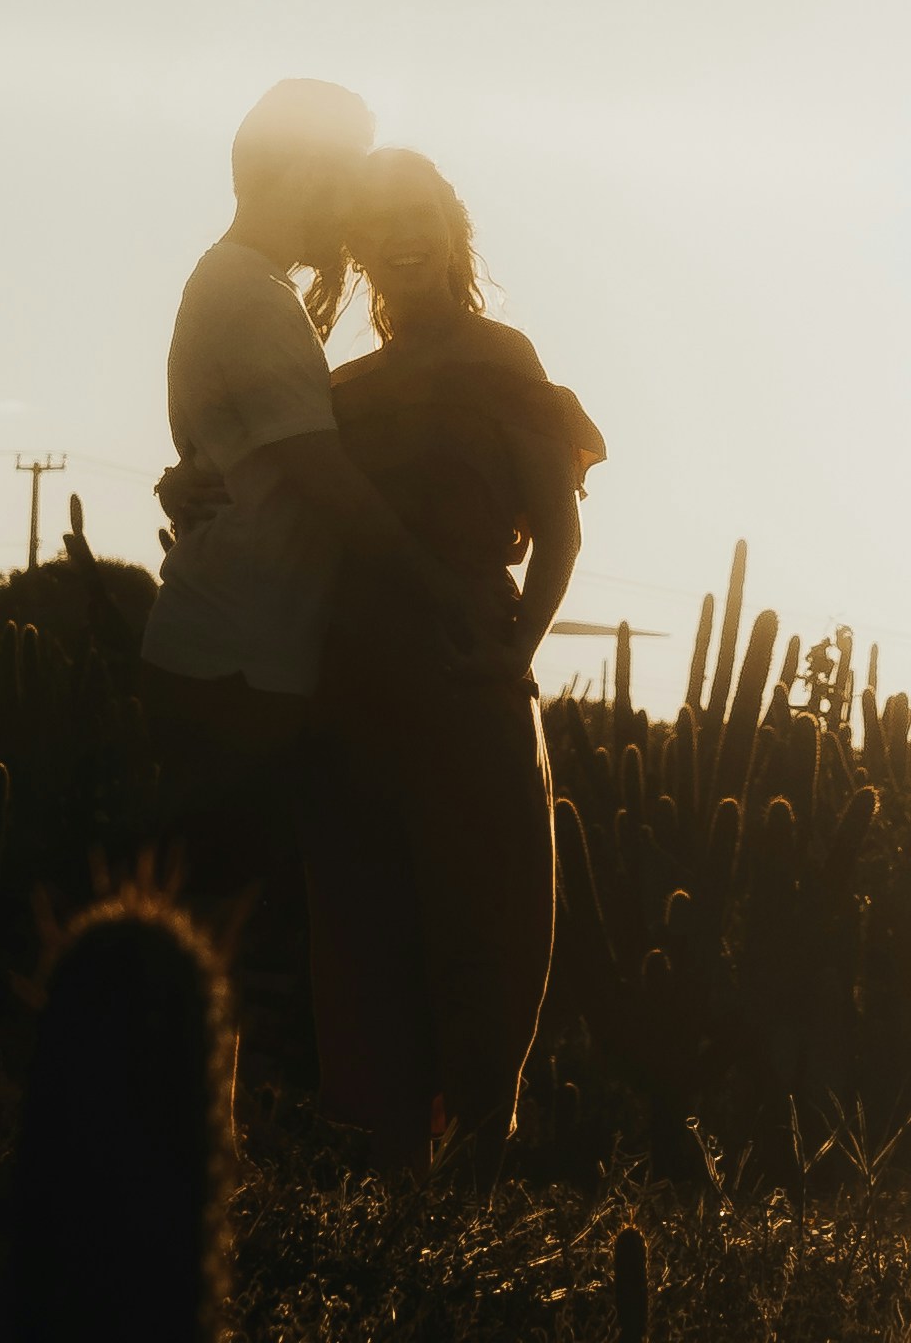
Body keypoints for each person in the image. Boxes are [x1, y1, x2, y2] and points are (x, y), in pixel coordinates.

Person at [135, 82, 488, 1051]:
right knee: (229, 931)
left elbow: (247, 457)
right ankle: (209, 1150)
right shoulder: (247, 294)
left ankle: (219, 1146)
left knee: (233, 921)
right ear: (294, 167)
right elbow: (322, 477)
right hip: (236, 659)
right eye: (339, 174)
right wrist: (443, 585)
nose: (347, 204)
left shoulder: (243, 285)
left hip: (240, 645)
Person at [304, 147, 600, 1177]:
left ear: (450, 229)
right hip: (354, 680)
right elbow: (276, 496)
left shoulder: (499, 358)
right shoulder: (336, 386)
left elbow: (558, 534)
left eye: (420, 211)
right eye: (379, 216)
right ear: (361, 246)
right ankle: (394, 1194)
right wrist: (198, 490)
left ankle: (475, 1182)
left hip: (468, 671)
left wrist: (514, 654)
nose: (403, 231)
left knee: (486, 923)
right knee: (368, 925)